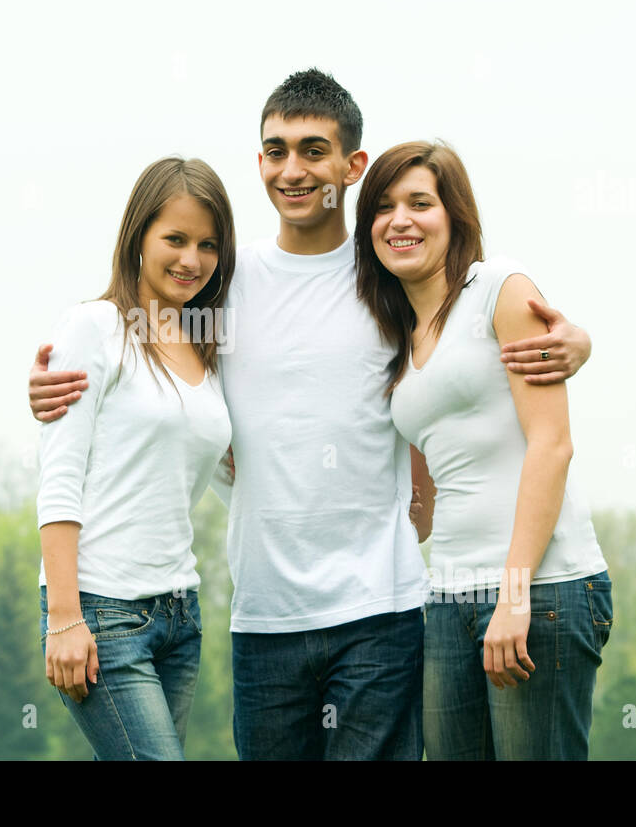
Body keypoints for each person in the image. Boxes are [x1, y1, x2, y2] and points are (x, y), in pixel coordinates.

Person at [29, 69, 594, 761]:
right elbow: (135, 352)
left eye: (313, 150)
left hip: (380, 617)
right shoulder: (222, 290)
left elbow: (462, 338)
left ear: (352, 165)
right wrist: (49, 383)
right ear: (260, 162)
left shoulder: (388, 277)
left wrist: (579, 341)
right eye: (275, 150)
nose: (292, 169)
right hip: (263, 615)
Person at [355, 139, 613, 760]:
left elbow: (552, 445)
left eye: (421, 202)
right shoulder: (399, 335)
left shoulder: (499, 288)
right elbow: (430, 494)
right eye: (384, 206)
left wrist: (514, 595)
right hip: (448, 597)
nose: (401, 220)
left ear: (455, 217)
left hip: (542, 589)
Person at [36, 156, 235, 760]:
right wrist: (65, 617)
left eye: (206, 244)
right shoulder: (95, 327)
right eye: (173, 239)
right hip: (102, 609)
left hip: (180, 611)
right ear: (138, 237)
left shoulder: (207, 345)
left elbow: (227, 472)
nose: (190, 259)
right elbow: (60, 474)